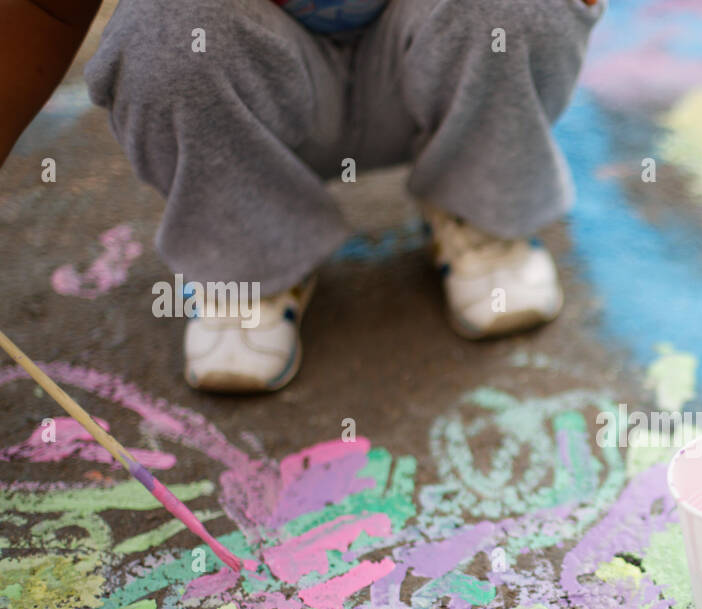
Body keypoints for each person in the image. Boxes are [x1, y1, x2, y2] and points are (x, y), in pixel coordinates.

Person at [1, 0, 604, 392]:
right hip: (246, 64)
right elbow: (46, 9)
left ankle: (481, 208)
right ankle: (248, 256)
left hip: (438, 39)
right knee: (166, 31)